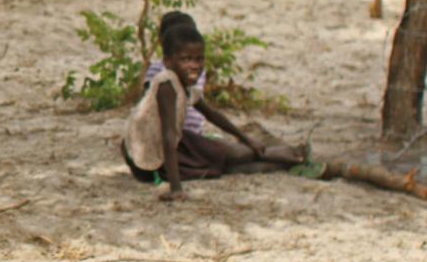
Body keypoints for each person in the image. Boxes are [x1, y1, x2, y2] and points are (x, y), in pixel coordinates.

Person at [122, 21, 301, 199]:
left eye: (199, 59)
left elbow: (211, 114)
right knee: (238, 155)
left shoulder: (183, 84)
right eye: (186, 59)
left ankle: (285, 161)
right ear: (168, 62)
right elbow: (168, 136)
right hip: (153, 155)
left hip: (170, 146)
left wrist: (247, 139)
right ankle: (291, 154)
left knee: (231, 163)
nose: (194, 65)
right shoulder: (166, 84)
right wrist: (176, 189)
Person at [143, 11, 207, 134]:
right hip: (168, 133)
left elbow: (199, 103)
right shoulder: (159, 73)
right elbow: (147, 105)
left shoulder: (195, 70)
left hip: (193, 132)